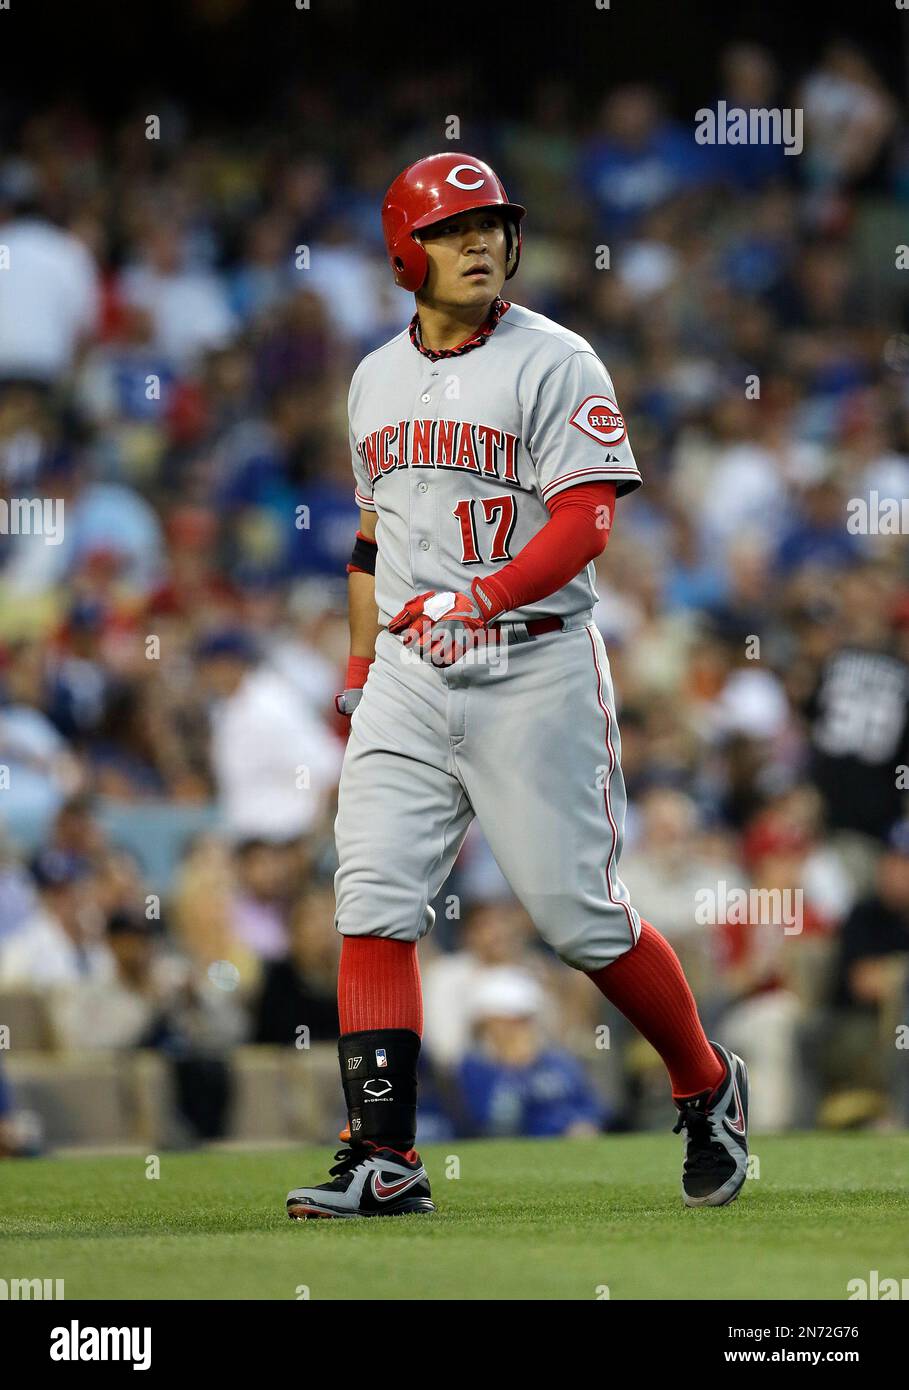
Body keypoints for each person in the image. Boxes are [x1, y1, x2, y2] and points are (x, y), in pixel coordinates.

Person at [285, 153, 749, 1220]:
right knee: (372, 894)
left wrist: (481, 602)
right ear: (408, 249)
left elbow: (588, 521)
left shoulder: (558, 358)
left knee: (579, 918)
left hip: (529, 658)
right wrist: (361, 674)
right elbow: (369, 544)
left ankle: (706, 1082)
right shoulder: (372, 378)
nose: (481, 241)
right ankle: (383, 1155)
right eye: (454, 229)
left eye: (492, 223)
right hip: (407, 665)